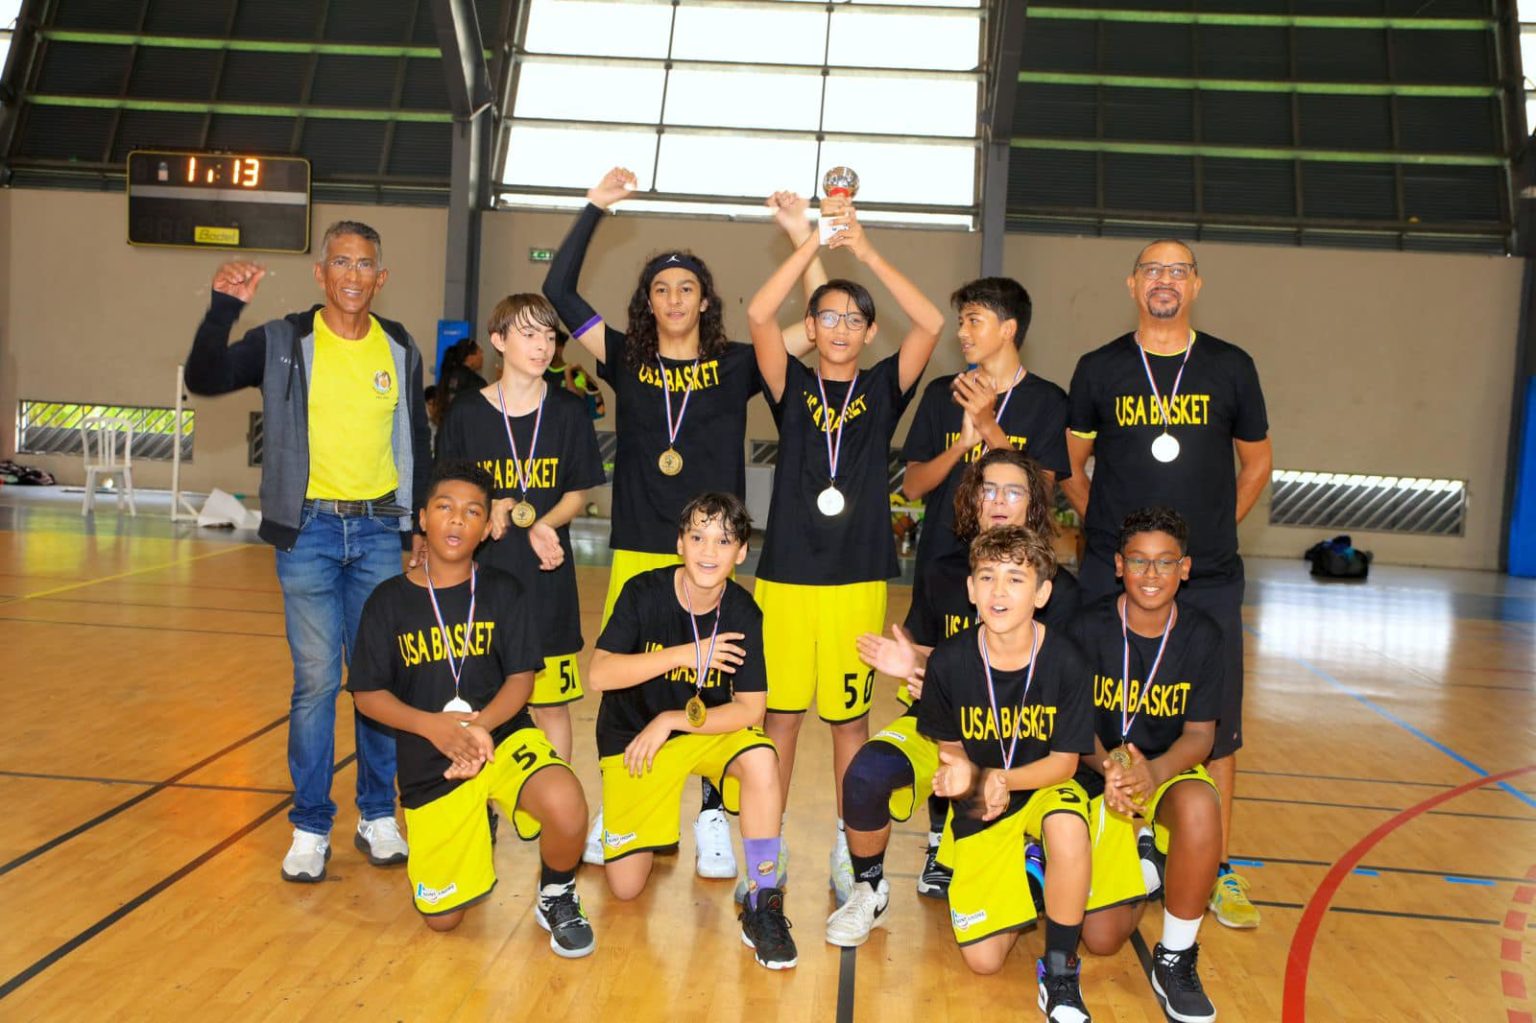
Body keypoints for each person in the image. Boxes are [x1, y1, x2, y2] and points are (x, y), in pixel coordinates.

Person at [543, 168, 825, 877]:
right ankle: (631, 793)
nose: (673, 299)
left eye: (686, 288)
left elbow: (825, 323)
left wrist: (804, 239)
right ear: (648, 303)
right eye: (661, 289)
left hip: (713, 559)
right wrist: (593, 207)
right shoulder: (624, 357)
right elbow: (558, 294)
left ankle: (706, 811)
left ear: (706, 301)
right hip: (642, 547)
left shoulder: (738, 363)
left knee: (716, 683)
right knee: (634, 679)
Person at [185, 220, 429, 883]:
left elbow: (417, 444)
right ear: (321, 273)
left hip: (380, 530)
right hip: (310, 535)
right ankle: (310, 824)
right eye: (341, 262)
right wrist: (223, 307)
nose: (353, 274)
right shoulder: (284, 340)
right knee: (318, 681)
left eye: (365, 264)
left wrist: (417, 534)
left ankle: (378, 813)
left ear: (382, 278)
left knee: (378, 682)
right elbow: (205, 376)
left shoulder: (401, 346)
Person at [1060, 239, 1271, 930]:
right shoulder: (1100, 368)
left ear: (1196, 284)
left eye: (1178, 270)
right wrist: (1115, 548)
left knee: (1220, 730)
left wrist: (1202, 541)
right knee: (1093, 707)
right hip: (1109, 575)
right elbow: (1071, 468)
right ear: (1132, 284)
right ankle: (1102, 841)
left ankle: (1216, 866)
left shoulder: (1231, 366)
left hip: (1206, 576)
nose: (1165, 281)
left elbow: (1257, 464)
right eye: (1153, 269)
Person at [746, 195, 943, 904]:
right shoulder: (788, 384)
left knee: (849, 718)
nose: (837, 327)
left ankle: (847, 844)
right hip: (788, 577)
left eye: (852, 318)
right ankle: (763, 859)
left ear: (866, 333)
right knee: (780, 717)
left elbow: (930, 322)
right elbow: (759, 318)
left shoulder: (885, 388)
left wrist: (861, 251)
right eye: (826, 315)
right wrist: (807, 244)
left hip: (858, 577)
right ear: (815, 327)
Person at [347, 461, 594, 956]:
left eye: (472, 512)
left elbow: (522, 680)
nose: (457, 520)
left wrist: (480, 727)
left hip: (501, 736)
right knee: (442, 920)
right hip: (431, 756)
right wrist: (434, 729)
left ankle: (558, 893)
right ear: (422, 519)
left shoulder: (504, 592)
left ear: (486, 529)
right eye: (445, 508)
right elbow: (367, 694)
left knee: (567, 804)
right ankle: (468, 824)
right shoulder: (388, 603)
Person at [840, 448, 1079, 931]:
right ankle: (869, 888)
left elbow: (1061, 688)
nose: (998, 500)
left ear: (1033, 505)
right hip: (946, 732)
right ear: (971, 500)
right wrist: (912, 662)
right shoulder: (943, 573)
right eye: (988, 488)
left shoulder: (1060, 591)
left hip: (1023, 741)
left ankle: (1012, 851)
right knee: (865, 773)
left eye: (1014, 491)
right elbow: (931, 666)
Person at [588, 493, 797, 970]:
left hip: (699, 732)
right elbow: (598, 675)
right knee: (624, 887)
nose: (709, 550)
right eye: (698, 536)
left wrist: (673, 719)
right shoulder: (643, 592)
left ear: (741, 552)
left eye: (723, 541)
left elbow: (751, 708)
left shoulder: (743, 611)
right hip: (635, 738)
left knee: (762, 758)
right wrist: (687, 653)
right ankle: (638, 817)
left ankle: (763, 903)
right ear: (680, 543)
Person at [915, 527, 1095, 1021]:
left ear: (1041, 593)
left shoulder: (1067, 661)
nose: (998, 591)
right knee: (984, 962)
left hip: (1041, 786)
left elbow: (1066, 764)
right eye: (987, 577)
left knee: (1068, 827)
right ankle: (1035, 879)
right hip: (982, 795)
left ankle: (1059, 972)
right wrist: (961, 779)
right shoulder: (950, 661)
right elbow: (950, 749)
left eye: (1016, 579)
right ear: (970, 589)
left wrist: (1002, 780)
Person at [436, 294, 606, 764]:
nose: (542, 346)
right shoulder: (467, 413)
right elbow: (446, 495)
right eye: (529, 334)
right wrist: (488, 505)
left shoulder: (569, 412)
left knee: (552, 707)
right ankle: (487, 800)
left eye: (549, 336)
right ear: (499, 340)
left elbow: (577, 492)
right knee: (482, 704)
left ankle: (554, 805)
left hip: (548, 583)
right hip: (483, 584)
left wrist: (543, 524)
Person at [1072, 506, 1224, 1023]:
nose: (1151, 575)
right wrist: (1117, 767)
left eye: (1165, 563)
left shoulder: (1203, 635)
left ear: (1185, 568)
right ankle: (1145, 871)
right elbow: (1072, 725)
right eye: (1139, 561)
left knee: (1203, 806)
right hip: (1096, 773)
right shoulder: (1087, 626)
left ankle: (1175, 958)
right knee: (1101, 941)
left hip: (1165, 771)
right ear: (1118, 565)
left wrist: (1153, 773)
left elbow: (1201, 736)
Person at [901, 277, 1071, 571]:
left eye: (973, 321)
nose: (961, 333)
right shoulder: (942, 393)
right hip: (941, 564)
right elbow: (912, 487)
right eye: (961, 322)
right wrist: (960, 446)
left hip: (1012, 566)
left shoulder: (1048, 400)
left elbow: (1041, 493)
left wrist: (988, 426)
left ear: (1008, 329)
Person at [546, 328, 607, 420]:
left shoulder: (574, 373)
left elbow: (576, 403)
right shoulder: (539, 372)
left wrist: (568, 375)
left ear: (560, 348)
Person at [438, 336, 487, 410]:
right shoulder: (477, 382)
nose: (482, 358)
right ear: (470, 357)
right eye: (480, 353)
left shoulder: (447, 374)